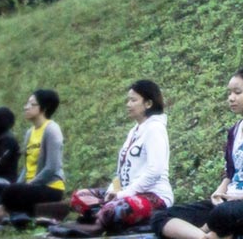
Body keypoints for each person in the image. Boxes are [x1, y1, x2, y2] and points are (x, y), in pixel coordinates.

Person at [153, 68, 243, 239]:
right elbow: (230, 175)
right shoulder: (234, 131)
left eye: (237, 92)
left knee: (224, 213)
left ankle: (204, 231)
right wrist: (218, 193)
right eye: (229, 93)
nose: (231, 98)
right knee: (161, 216)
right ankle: (204, 237)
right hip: (230, 201)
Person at [65, 80, 172, 231]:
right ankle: (103, 216)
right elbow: (121, 170)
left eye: (133, 100)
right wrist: (112, 191)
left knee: (115, 209)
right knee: (79, 196)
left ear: (148, 103)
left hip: (153, 195)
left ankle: (101, 219)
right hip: (126, 193)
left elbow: (155, 171)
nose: (128, 104)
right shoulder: (135, 130)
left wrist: (124, 194)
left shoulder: (155, 129)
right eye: (128, 100)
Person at [0, 90, 66, 218]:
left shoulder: (51, 130)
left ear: (44, 108)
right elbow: (26, 168)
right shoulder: (30, 132)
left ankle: (3, 209)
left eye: (32, 104)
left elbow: (52, 167)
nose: (26, 107)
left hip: (50, 188)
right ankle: (7, 209)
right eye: (27, 103)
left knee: (11, 191)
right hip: (29, 188)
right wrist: (18, 185)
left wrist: (28, 185)